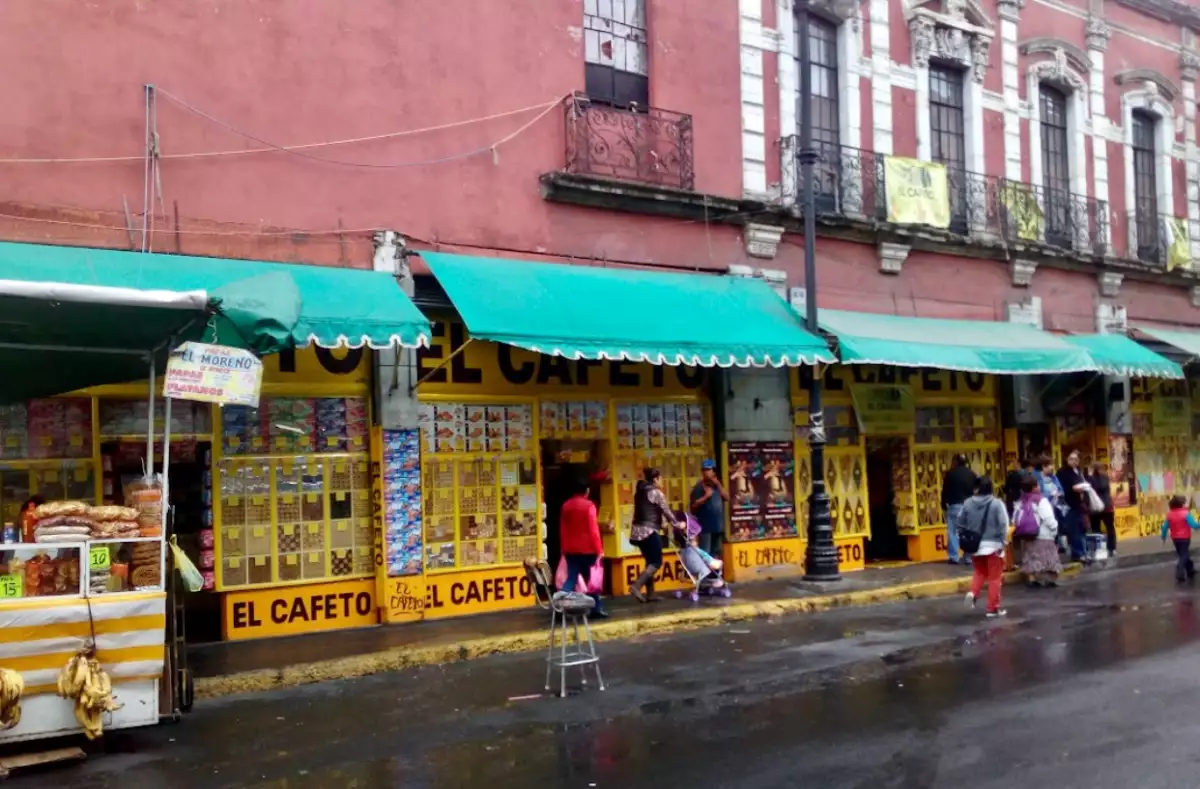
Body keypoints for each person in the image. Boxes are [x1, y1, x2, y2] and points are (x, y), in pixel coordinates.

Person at [959, 476, 1010, 617]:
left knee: (980, 572)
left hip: (975, 546)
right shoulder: (996, 504)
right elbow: (1003, 525)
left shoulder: (967, 503)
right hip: (994, 546)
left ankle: (973, 593)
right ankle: (992, 609)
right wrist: (1003, 542)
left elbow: (960, 523)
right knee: (995, 578)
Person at [559, 475, 608, 618]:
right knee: (593, 580)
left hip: (571, 549)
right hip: (588, 550)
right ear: (587, 490)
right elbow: (594, 530)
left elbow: (563, 529)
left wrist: (563, 547)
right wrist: (599, 550)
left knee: (571, 578)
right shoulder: (589, 506)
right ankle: (596, 609)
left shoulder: (566, 506)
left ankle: (561, 606)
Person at [629, 467, 680, 603]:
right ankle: (636, 586)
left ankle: (651, 594)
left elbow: (649, 510)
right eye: (660, 478)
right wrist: (677, 524)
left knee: (649, 561)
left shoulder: (639, 492)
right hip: (649, 531)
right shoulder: (656, 493)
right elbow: (666, 511)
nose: (662, 481)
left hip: (637, 532)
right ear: (655, 479)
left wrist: (660, 523)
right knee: (656, 562)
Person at [1014, 475, 1061, 587]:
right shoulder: (1041, 500)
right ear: (1034, 487)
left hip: (1029, 535)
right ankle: (1050, 580)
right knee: (1049, 559)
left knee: (1031, 557)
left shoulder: (1021, 501)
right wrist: (1055, 527)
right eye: (1037, 485)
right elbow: (1048, 518)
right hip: (1044, 535)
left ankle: (1031, 579)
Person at [940, 454, 976, 565]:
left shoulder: (950, 475)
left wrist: (943, 504)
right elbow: (976, 490)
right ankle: (968, 557)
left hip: (954, 505)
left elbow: (945, 491)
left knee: (953, 531)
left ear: (955, 461)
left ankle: (954, 557)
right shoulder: (972, 474)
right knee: (968, 532)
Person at [1056, 450, 1090, 563]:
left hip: (1080, 504)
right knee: (1074, 530)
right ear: (1067, 459)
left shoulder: (1078, 471)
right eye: (1071, 459)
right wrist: (1074, 488)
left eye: (1076, 459)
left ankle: (1083, 552)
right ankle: (1078, 554)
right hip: (1069, 505)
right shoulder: (1063, 472)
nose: (1073, 461)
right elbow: (1062, 488)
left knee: (1082, 529)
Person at [689, 460, 727, 560]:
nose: (706, 472)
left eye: (708, 470)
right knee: (706, 553)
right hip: (705, 527)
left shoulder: (717, 486)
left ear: (714, 471)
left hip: (717, 526)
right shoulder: (698, 488)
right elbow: (693, 508)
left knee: (717, 552)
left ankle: (715, 574)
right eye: (704, 470)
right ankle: (705, 574)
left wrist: (718, 484)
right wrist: (706, 497)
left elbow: (727, 498)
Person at [1160, 494, 1200, 584]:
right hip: (1185, 538)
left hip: (1175, 539)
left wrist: (1163, 537)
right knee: (1184, 555)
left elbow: (1165, 527)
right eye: (1185, 502)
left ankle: (1190, 569)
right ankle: (1179, 573)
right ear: (1182, 504)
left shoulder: (1170, 514)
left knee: (1183, 554)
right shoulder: (1185, 514)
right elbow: (1193, 525)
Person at [1088, 462, 1116, 557]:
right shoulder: (1104, 477)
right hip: (1102, 507)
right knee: (1104, 529)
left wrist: (1090, 477)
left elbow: (1099, 487)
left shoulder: (1100, 478)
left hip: (1101, 507)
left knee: (1102, 529)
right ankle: (1105, 549)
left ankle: (1109, 548)